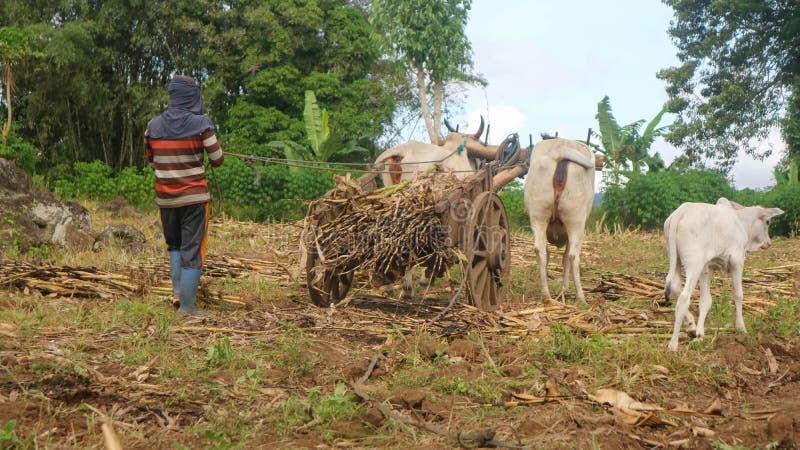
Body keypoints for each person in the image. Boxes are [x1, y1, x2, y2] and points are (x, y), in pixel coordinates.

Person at [144, 75, 224, 316]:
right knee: (192, 249)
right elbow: (217, 159)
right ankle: (188, 309)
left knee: (175, 246)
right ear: (192, 96)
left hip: (166, 199)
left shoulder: (152, 126)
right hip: (194, 200)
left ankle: (178, 295)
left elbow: (151, 160)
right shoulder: (202, 124)